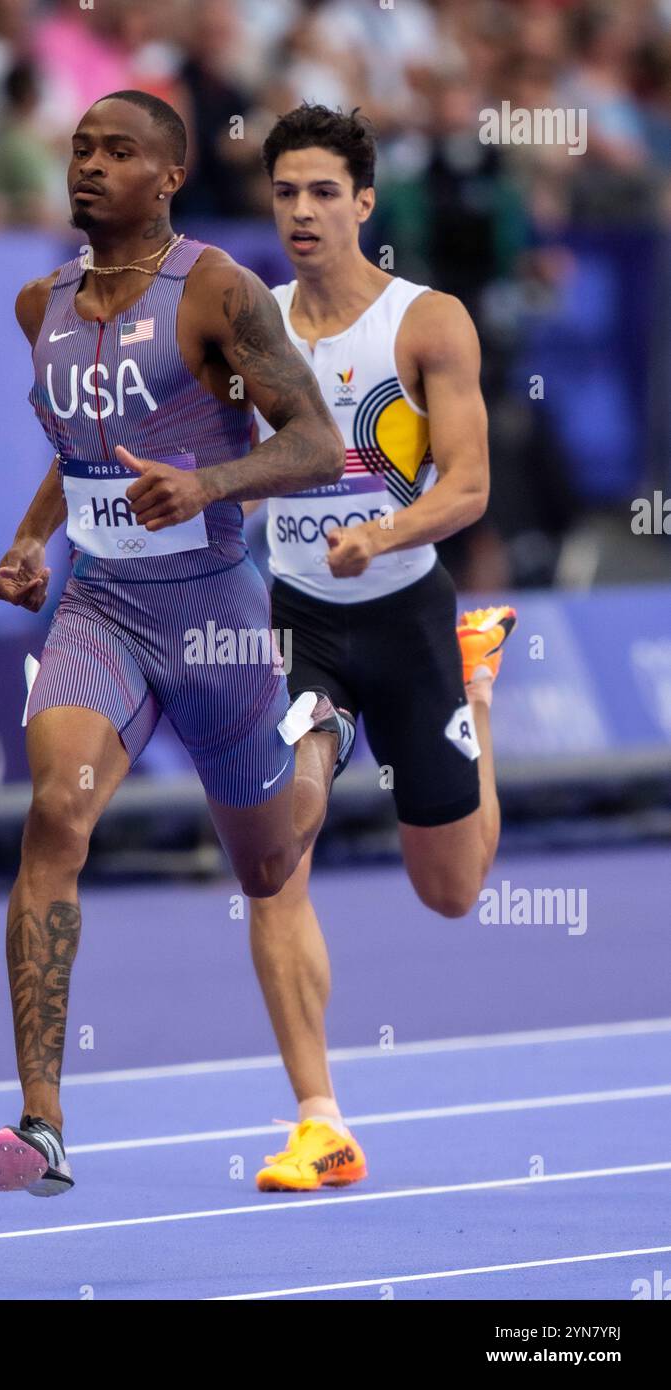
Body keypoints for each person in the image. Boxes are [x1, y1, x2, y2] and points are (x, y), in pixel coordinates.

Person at [0, 90, 347, 1197]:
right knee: (54, 813)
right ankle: (42, 1123)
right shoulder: (36, 302)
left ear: (168, 176)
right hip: (101, 613)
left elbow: (317, 446)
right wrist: (30, 538)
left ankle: (319, 735)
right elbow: (82, 448)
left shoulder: (217, 293)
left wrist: (208, 482)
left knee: (269, 860)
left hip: (215, 613)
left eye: (118, 152)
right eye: (80, 147)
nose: (88, 166)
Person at [245, 104, 516, 1193]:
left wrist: (383, 533)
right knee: (277, 840)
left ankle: (476, 684)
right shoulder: (243, 322)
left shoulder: (427, 322)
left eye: (323, 192)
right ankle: (319, 1118)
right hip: (297, 625)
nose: (302, 212)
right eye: (284, 193)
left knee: (447, 890)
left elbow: (467, 484)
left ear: (364, 203)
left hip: (406, 616)